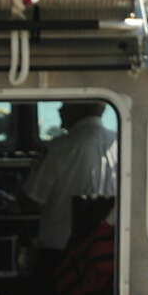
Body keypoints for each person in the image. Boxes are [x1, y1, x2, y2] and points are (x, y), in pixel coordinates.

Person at [24, 101, 117, 252]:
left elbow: (31, 202)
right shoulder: (121, 144)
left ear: (80, 108)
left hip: (61, 252)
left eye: (66, 104)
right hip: (108, 251)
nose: (60, 109)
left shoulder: (57, 148)